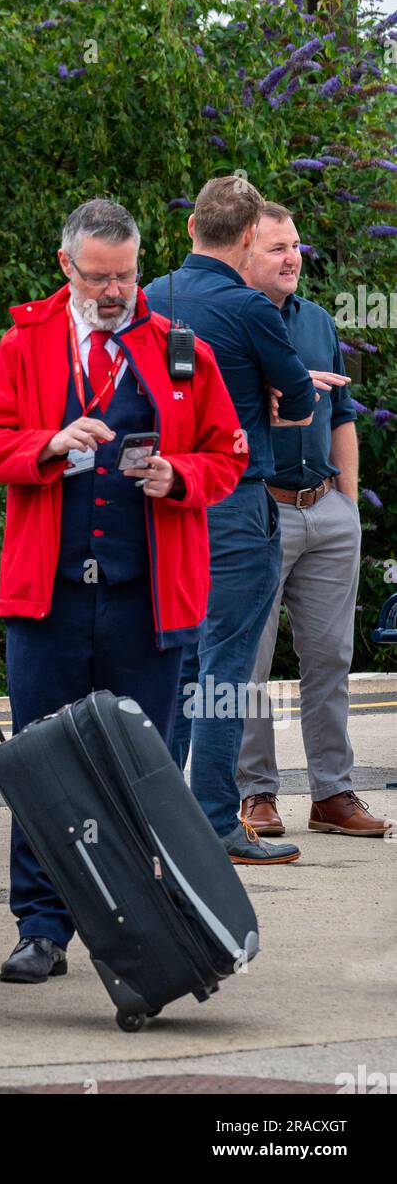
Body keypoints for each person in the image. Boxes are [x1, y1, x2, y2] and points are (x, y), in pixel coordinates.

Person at [0, 197, 245, 984]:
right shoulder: (26, 341)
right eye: (98, 277)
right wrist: (47, 444)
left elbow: (227, 455)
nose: (115, 291)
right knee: (40, 765)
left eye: (126, 275)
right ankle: (41, 927)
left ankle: (145, 926)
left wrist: (177, 474)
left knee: (142, 772)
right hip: (46, 602)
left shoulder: (182, 349)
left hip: (145, 602)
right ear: (66, 267)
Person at [145, 176, 319, 867]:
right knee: (225, 670)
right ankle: (216, 819)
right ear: (248, 237)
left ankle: (154, 819)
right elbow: (302, 401)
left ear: (191, 228)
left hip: (166, 498)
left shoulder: (148, 297)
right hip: (236, 503)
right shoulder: (251, 309)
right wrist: (274, 399)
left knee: (178, 665)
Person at [238, 203, 392, 838]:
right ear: (245, 255)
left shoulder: (319, 322)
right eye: (277, 248)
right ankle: (255, 794)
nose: (292, 257)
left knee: (329, 657)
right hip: (260, 510)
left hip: (325, 509)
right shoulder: (231, 323)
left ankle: (332, 793)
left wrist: (346, 505)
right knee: (249, 662)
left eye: (295, 245)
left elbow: (346, 416)